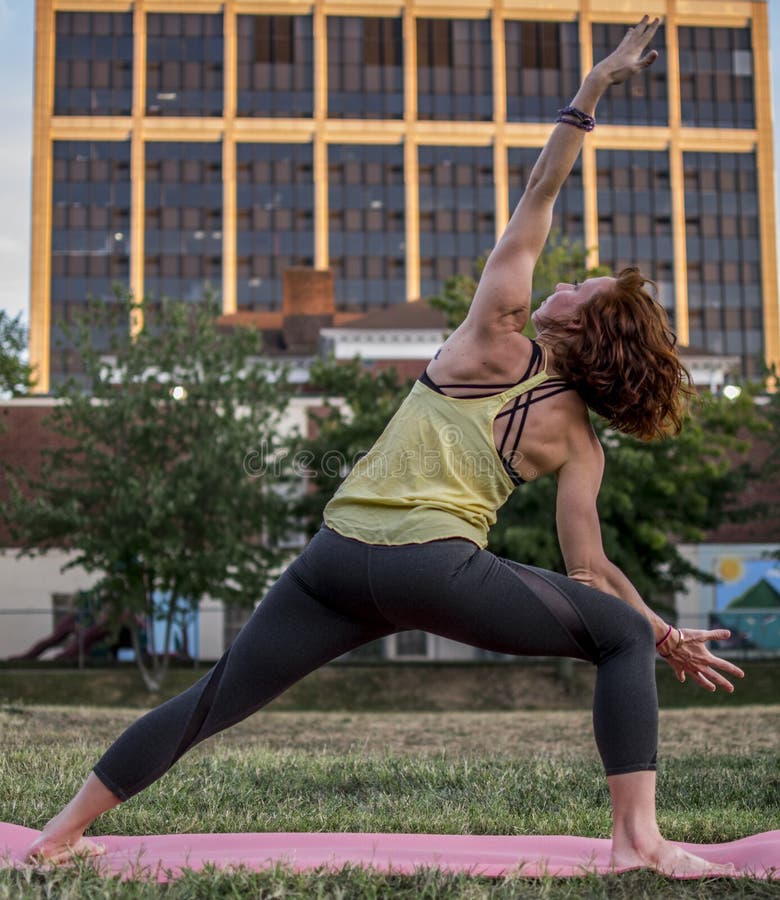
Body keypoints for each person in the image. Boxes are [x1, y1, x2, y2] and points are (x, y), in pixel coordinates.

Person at [27, 17, 745, 875]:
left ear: (585, 326)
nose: (562, 276)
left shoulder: (494, 332)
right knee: (618, 639)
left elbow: (538, 195)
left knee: (209, 702)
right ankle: (638, 845)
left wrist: (592, 89)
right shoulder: (577, 442)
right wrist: (656, 633)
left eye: (579, 286)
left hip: (333, 559)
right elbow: (590, 574)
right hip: (430, 569)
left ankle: (55, 837)